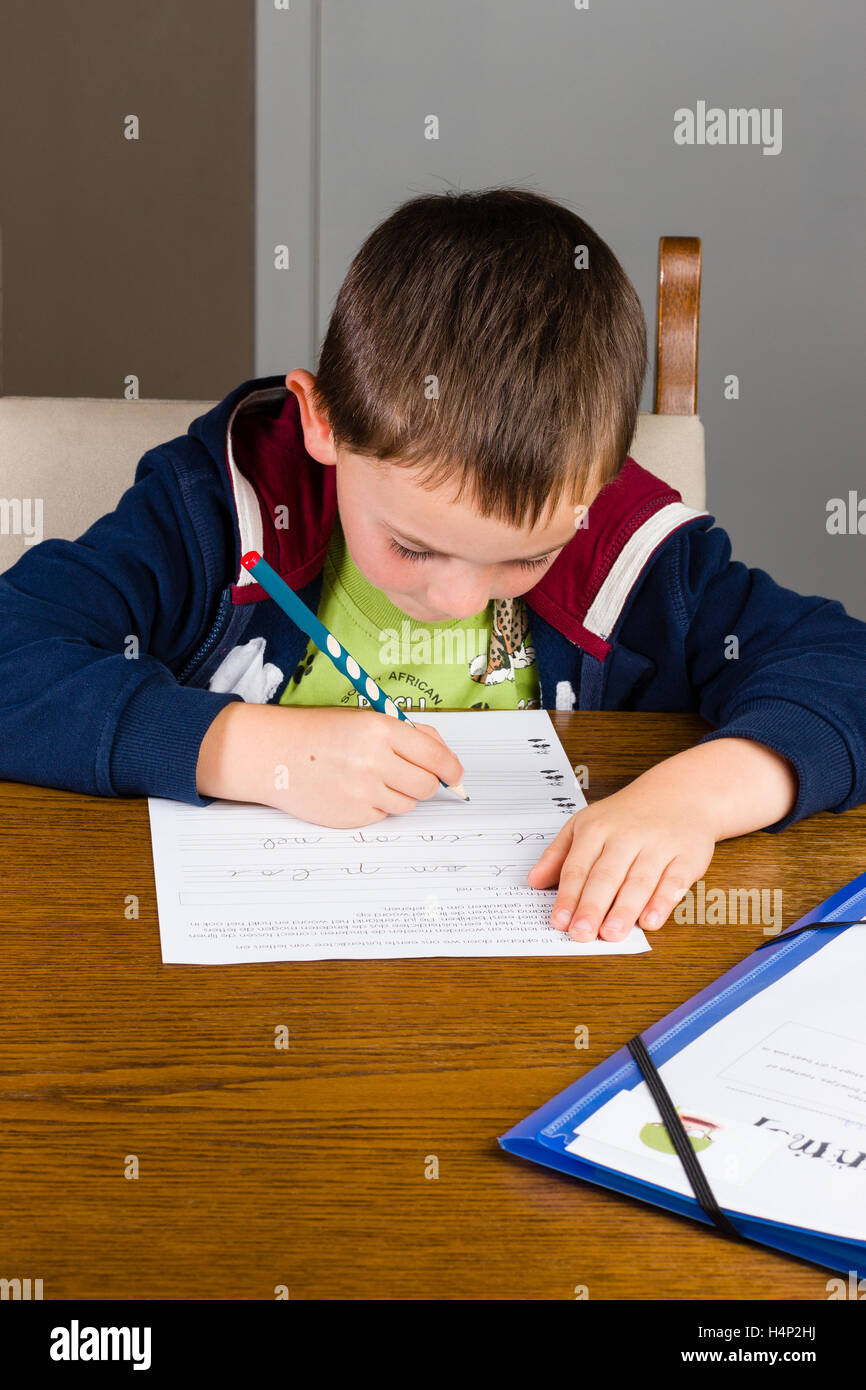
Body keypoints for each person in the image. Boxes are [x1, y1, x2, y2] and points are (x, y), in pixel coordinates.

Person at [2, 188, 865, 944]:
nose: (455, 601)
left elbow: (841, 667)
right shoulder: (212, 514)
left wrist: (696, 799)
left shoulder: (630, 553)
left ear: (597, 489)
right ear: (324, 422)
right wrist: (240, 748)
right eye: (413, 546)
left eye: (528, 557)